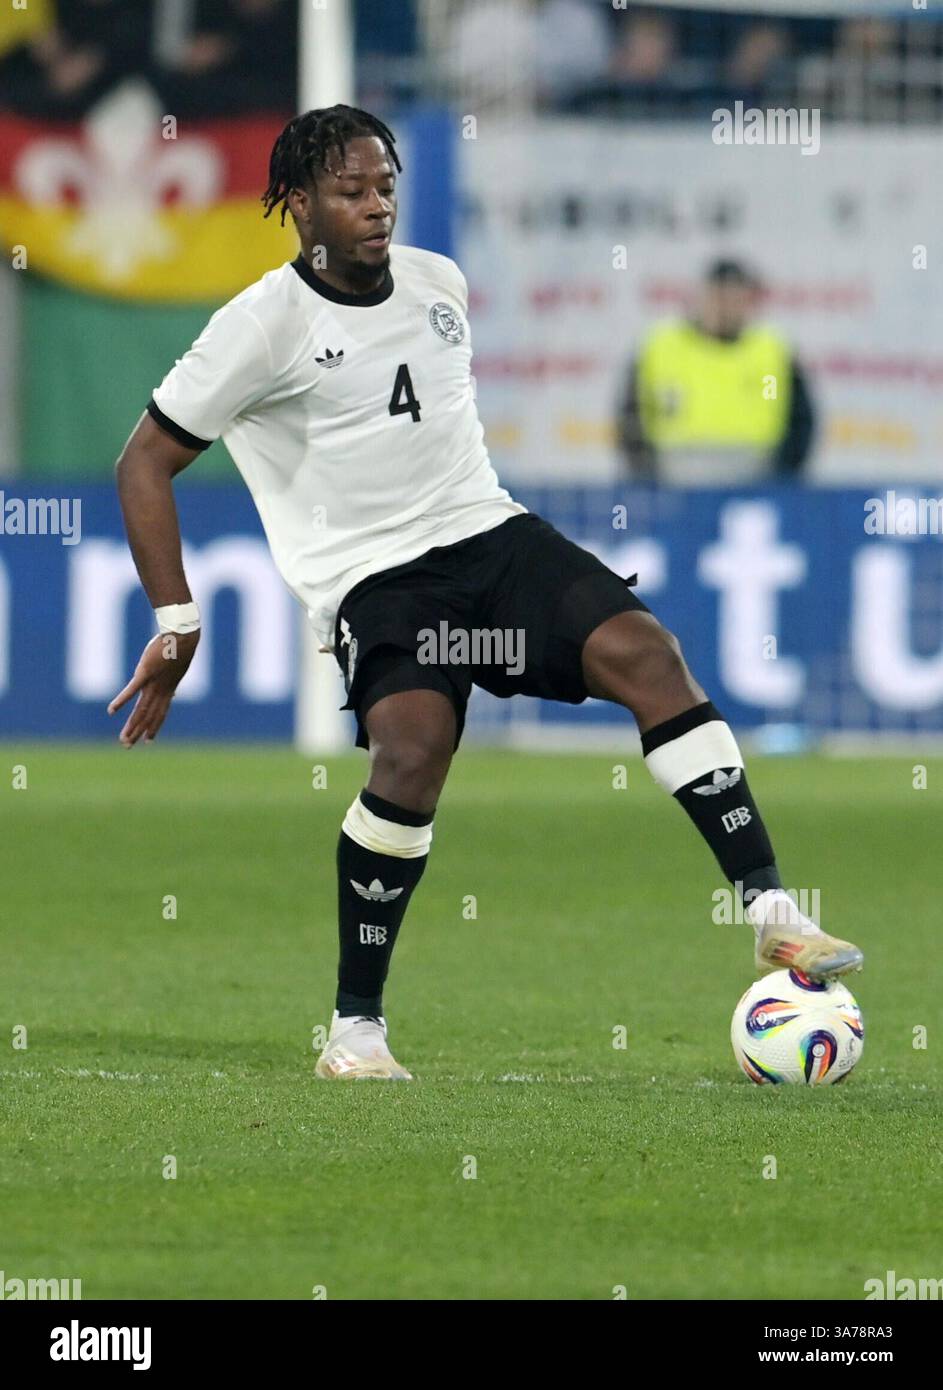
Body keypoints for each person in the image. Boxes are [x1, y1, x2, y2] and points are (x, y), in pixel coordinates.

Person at [110, 106, 861, 1081]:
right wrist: (177, 620)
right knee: (412, 754)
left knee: (650, 656)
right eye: (350, 191)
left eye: (385, 186)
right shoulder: (260, 326)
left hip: (490, 539)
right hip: (378, 582)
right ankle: (356, 1029)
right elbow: (144, 463)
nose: (376, 207)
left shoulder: (437, 282)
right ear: (297, 206)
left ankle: (771, 911)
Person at [618, 259, 814, 484]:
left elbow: (800, 420)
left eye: (735, 299)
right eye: (718, 297)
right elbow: (631, 415)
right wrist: (644, 473)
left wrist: (783, 477)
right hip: (676, 477)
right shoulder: (660, 346)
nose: (725, 308)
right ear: (700, 298)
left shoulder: (773, 350)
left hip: (755, 477)